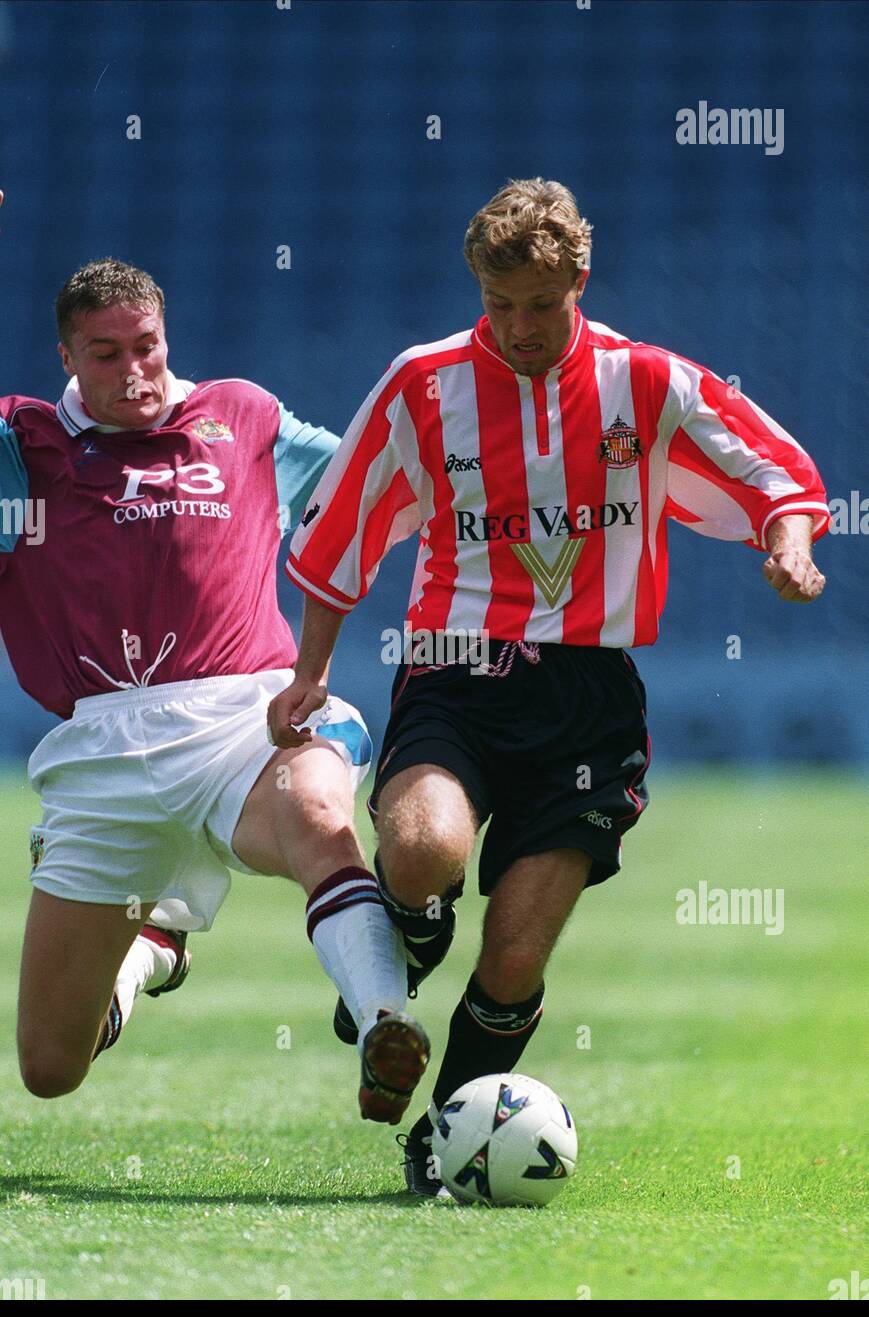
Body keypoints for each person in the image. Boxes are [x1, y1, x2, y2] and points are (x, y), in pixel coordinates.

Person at [267, 177, 828, 1196]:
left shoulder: (644, 381)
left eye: (538, 304)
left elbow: (771, 469)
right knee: (424, 848)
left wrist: (787, 549)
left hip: (587, 697)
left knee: (518, 954)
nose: (518, 328)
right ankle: (412, 931)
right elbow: (341, 527)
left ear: (580, 279)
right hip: (455, 668)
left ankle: (441, 1142)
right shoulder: (421, 383)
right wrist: (308, 673)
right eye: (498, 305)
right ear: (476, 290)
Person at [0, 209, 429, 1126]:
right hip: (103, 753)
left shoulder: (243, 416)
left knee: (319, 819)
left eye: (146, 347)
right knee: (47, 1067)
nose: (134, 372)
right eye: (105, 354)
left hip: (249, 717)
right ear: (67, 358)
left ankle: (383, 1021)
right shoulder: (21, 447)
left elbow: (383, 484)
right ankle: (155, 942)